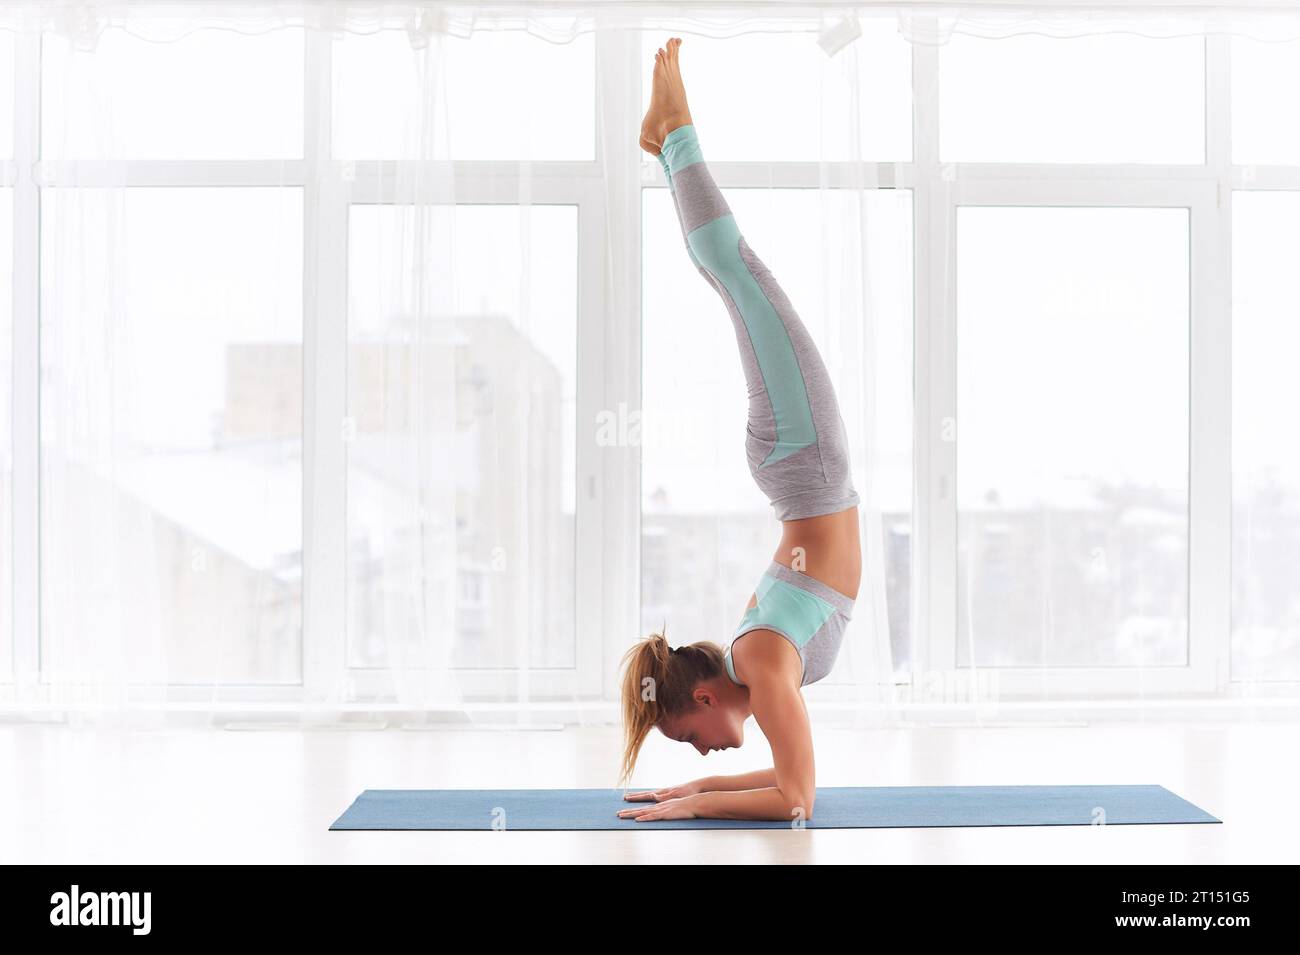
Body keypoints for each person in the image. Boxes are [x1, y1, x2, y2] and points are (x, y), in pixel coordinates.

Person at [617, 37, 862, 823]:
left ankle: (674, 131)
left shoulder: (759, 656)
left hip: (805, 456)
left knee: (737, 271)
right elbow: (789, 792)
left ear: (704, 693)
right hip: (800, 461)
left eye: (690, 741)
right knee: (734, 277)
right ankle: (665, 141)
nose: (705, 750)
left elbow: (796, 800)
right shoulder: (758, 663)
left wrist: (690, 808)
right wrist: (685, 793)